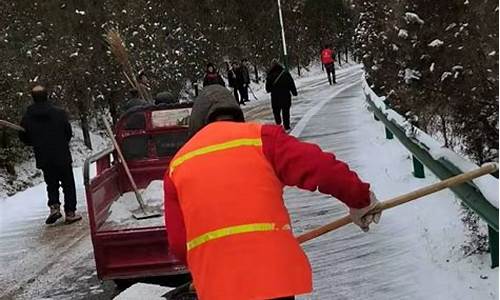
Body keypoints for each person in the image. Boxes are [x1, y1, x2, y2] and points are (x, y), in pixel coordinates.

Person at [164, 85, 382, 300]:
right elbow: (321, 168)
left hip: (219, 287)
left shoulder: (177, 166)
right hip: (273, 278)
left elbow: (178, 242)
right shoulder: (261, 138)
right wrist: (360, 199)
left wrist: (205, 267)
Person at [19, 85, 82, 225]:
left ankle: (54, 207)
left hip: (44, 155)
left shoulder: (28, 117)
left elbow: (23, 136)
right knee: (68, 184)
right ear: (46, 96)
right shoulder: (59, 113)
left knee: (51, 183)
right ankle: (70, 212)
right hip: (61, 154)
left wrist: (36, 143)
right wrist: (61, 143)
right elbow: (68, 132)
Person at [265, 60, 297, 131]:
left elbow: (268, 89)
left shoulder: (270, 75)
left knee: (276, 111)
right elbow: (291, 83)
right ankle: (286, 125)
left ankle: (278, 123)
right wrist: (294, 92)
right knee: (285, 111)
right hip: (285, 95)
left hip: (275, 97)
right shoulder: (285, 73)